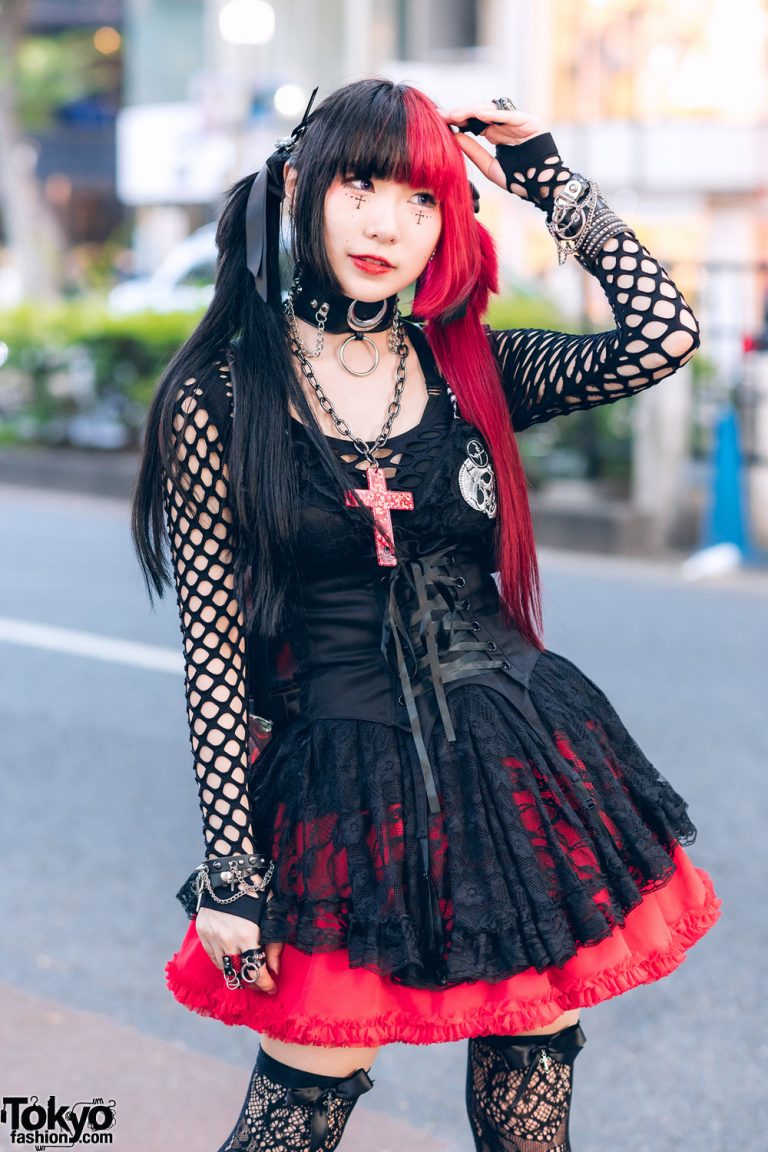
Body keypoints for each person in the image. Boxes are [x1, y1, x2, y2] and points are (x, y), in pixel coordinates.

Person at [131, 78, 722, 1152]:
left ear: (450, 224)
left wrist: (546, 176)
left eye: (422, 198)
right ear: (302, 186)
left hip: (516, 765)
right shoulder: (218, 398)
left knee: (529, 1096)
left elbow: (663, 336)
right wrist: (231, 874)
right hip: (340, 782)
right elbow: (211, 649)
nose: (387, 222)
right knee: (294, 1116)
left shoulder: (470, 368)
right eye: (362, 184)